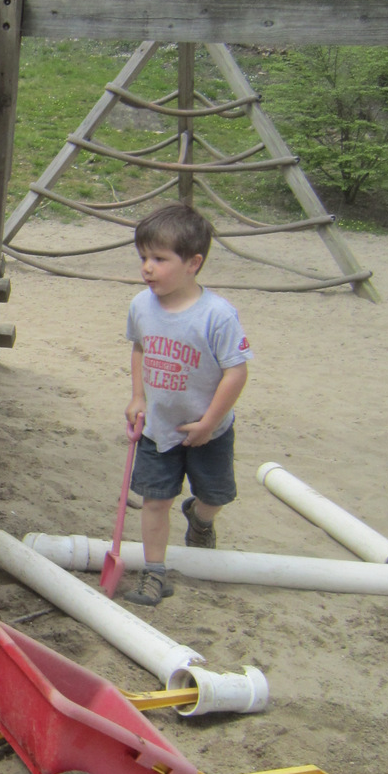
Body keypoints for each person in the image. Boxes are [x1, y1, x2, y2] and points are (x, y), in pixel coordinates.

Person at [122, 203, 252, 607]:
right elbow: (140, 347)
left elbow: (236, 373)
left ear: (193, 263)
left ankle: (199, 517)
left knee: (217, 495)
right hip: (158, 428)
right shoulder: (141, 305)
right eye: (144, 257)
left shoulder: (218, 316)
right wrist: (138, 397)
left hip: (209, 429)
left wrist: (209, 422)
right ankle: (154, 572)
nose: (147, 268)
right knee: (155, 500)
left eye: (160, 259)